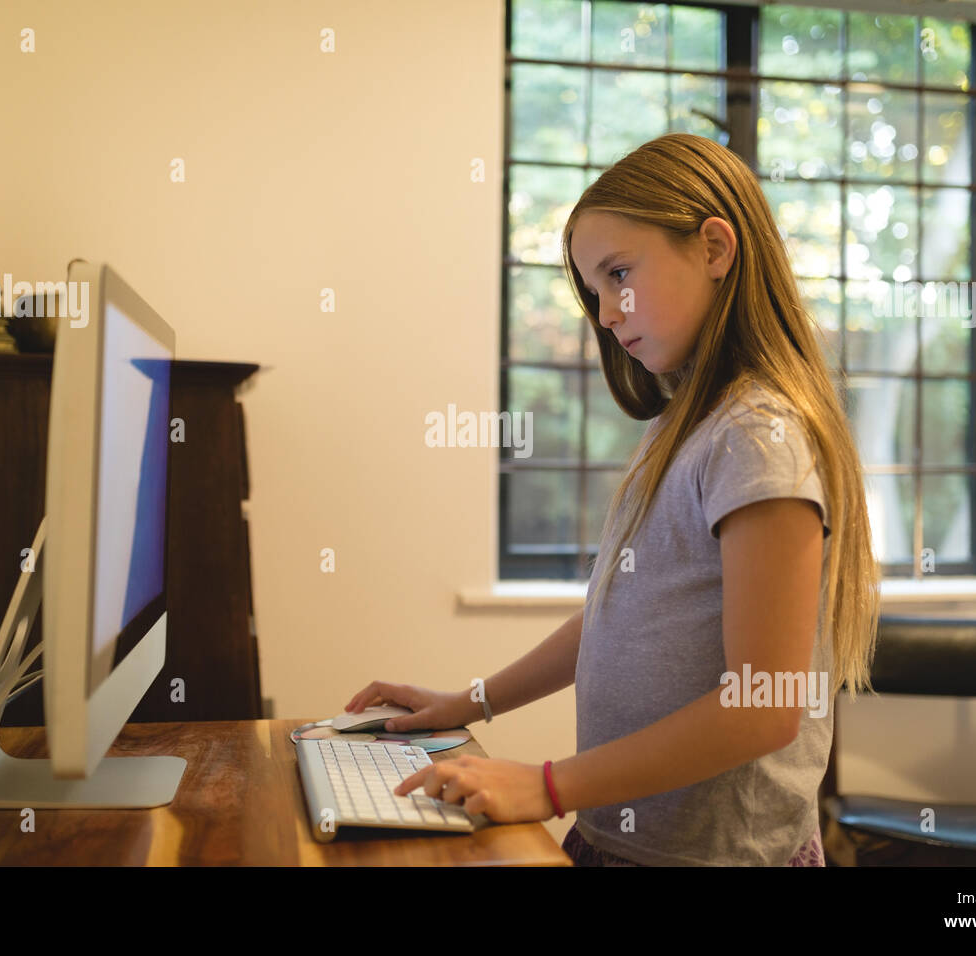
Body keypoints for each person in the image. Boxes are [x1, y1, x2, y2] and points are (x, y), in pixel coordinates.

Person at [344, 133, 880, 866]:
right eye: (593, 291)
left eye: (618, 274)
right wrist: (469, 703)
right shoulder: (685, 423)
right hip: (624, 841)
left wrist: (545, 785)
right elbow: (614, 615)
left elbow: (765, 707)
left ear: (716, 249)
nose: (603, 313)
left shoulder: (758, 436)